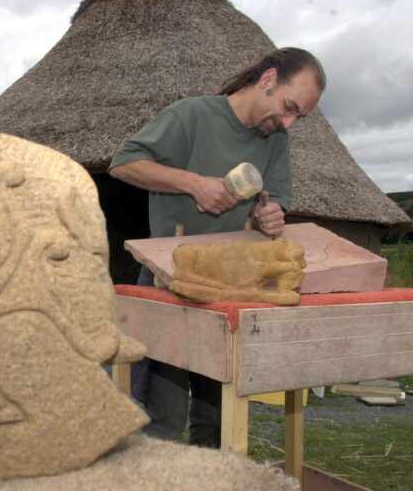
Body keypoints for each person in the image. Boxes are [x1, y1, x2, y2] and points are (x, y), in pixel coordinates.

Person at [108, 47, 326, 447]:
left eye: (299, 117)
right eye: (289, 107)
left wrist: (270, 215)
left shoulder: (276, 139)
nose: (289, 123)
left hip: (231, 287)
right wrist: (193, 183)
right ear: (267, 80)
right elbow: (123, 162)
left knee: (218, 420)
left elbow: (274, 199)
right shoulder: (191, 115)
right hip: (168, 280)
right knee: (162, 418)